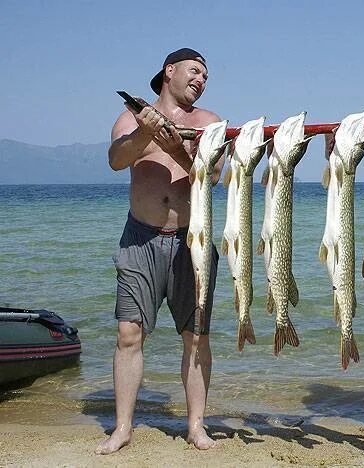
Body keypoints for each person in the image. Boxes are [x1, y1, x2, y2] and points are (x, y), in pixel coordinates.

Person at [95, 48, 223, 455]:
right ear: (169, 71)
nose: (201, 79)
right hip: (140, 238)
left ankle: (196, 427)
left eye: (206, 76)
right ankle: (122, 428)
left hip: (193, 240)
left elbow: (214, 175)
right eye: (195, 71)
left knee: (196, 336)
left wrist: (175, 148)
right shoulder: (133, 117)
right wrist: (146, 134)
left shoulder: (210, 122)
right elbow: (116, 160)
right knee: (129, 334)